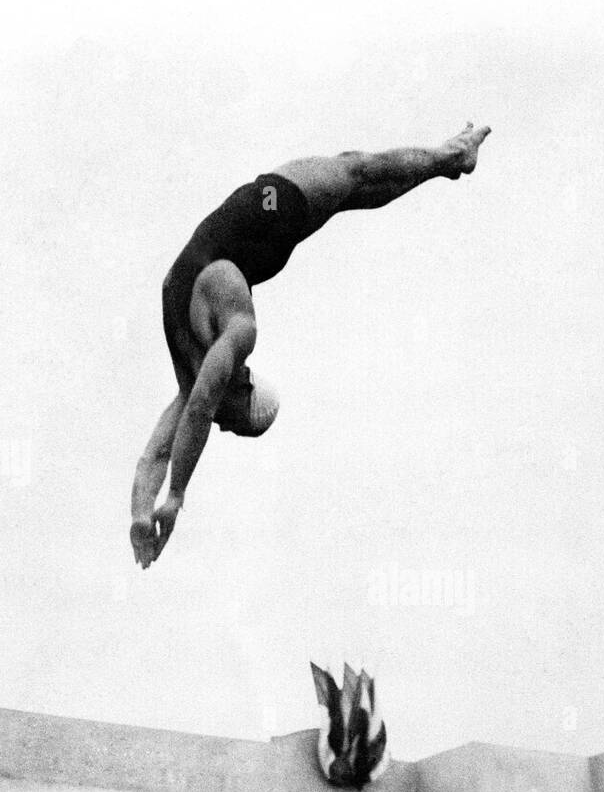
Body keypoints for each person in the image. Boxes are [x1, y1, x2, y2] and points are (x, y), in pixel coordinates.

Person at [130, 123, 492, 567]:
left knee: (356, 176)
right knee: (355, 179)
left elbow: (177, 432)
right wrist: (158, 506)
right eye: (233, 424)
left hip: (268, 213)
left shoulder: (220, 353)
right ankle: (448, 161)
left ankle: (450, 159)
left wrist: (157, 507)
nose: (221, 426)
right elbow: (178, 432)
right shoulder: (222, 349)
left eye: (230, 425)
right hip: (278, 213)